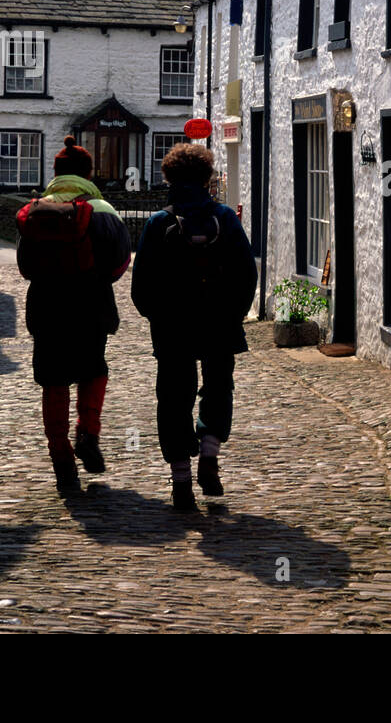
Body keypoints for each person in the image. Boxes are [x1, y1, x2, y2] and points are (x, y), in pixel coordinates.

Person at [131, 142, 257, 512]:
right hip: (220, 325)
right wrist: (233, 315)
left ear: (169, 177)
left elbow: (142, 289)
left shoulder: (159, 223)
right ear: (207, 178)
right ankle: (209, 456)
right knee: (218, 388)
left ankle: (182, 482)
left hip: (173, 330)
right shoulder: (227, 220)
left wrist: (160, 317)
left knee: (173, 398)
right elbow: (247, 275)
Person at [16, 135, 131, 493]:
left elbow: (25, 267)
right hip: (91, 306)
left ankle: (60, 456)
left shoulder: (38, 211)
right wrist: (95, 280)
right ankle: (88, 433)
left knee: (52, 380)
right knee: (92, 369)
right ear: (88, 174)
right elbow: (121, 262)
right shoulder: (105, 211)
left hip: (47, 308)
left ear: (56, 173)